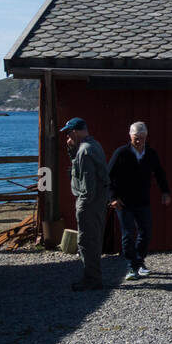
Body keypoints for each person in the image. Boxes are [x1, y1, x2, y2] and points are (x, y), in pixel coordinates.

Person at [106, 121, 172, 281]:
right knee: (128, 234)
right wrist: (112, 198)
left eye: (142, 138)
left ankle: (139, 261)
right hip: (124, 202)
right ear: (130, 136)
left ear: (146, 137)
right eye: (136, 137)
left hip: (143, 200)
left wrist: (165, 192)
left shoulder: (150, 154)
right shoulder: (121, 153)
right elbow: (108, 176)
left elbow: (159, 173)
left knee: (146, 232)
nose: (139, 141)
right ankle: (131, 266)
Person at [61, 117, 109, 291]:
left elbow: (88, 183)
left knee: (87, 241)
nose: (68, 137)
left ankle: (92, 279)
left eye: (68, 133)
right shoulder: (94, 145)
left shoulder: (85, 150)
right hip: (97, 202)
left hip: (88, 202)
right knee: (93, 240)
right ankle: (92, 276)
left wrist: (84, 204)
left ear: (74, 131)